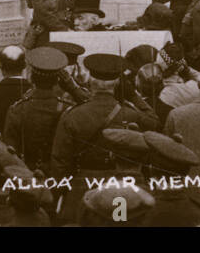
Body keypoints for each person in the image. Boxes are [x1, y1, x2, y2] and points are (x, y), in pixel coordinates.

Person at [49, 53, 157, 223]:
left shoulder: (72, 115)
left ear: (91, 81)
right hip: (122, 187)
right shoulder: (129, 112)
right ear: (116, 83)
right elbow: (153, 121)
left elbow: (60, 163)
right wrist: (133, 94)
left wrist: (59, 196)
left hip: (82, 186)